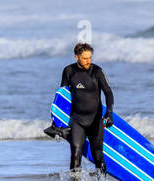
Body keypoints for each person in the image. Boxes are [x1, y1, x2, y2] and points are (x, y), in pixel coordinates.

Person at [45, 43, 114, 173]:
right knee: (75, 154)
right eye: (85, 58)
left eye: (90, 57)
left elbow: (108, 92)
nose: (88, 61)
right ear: (76, 57)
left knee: (98, 157)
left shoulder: (97, 71)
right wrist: (57, 122)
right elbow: (62, 97)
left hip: (95, 121)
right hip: (78, 120)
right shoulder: (69, 71)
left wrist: (109, 113)